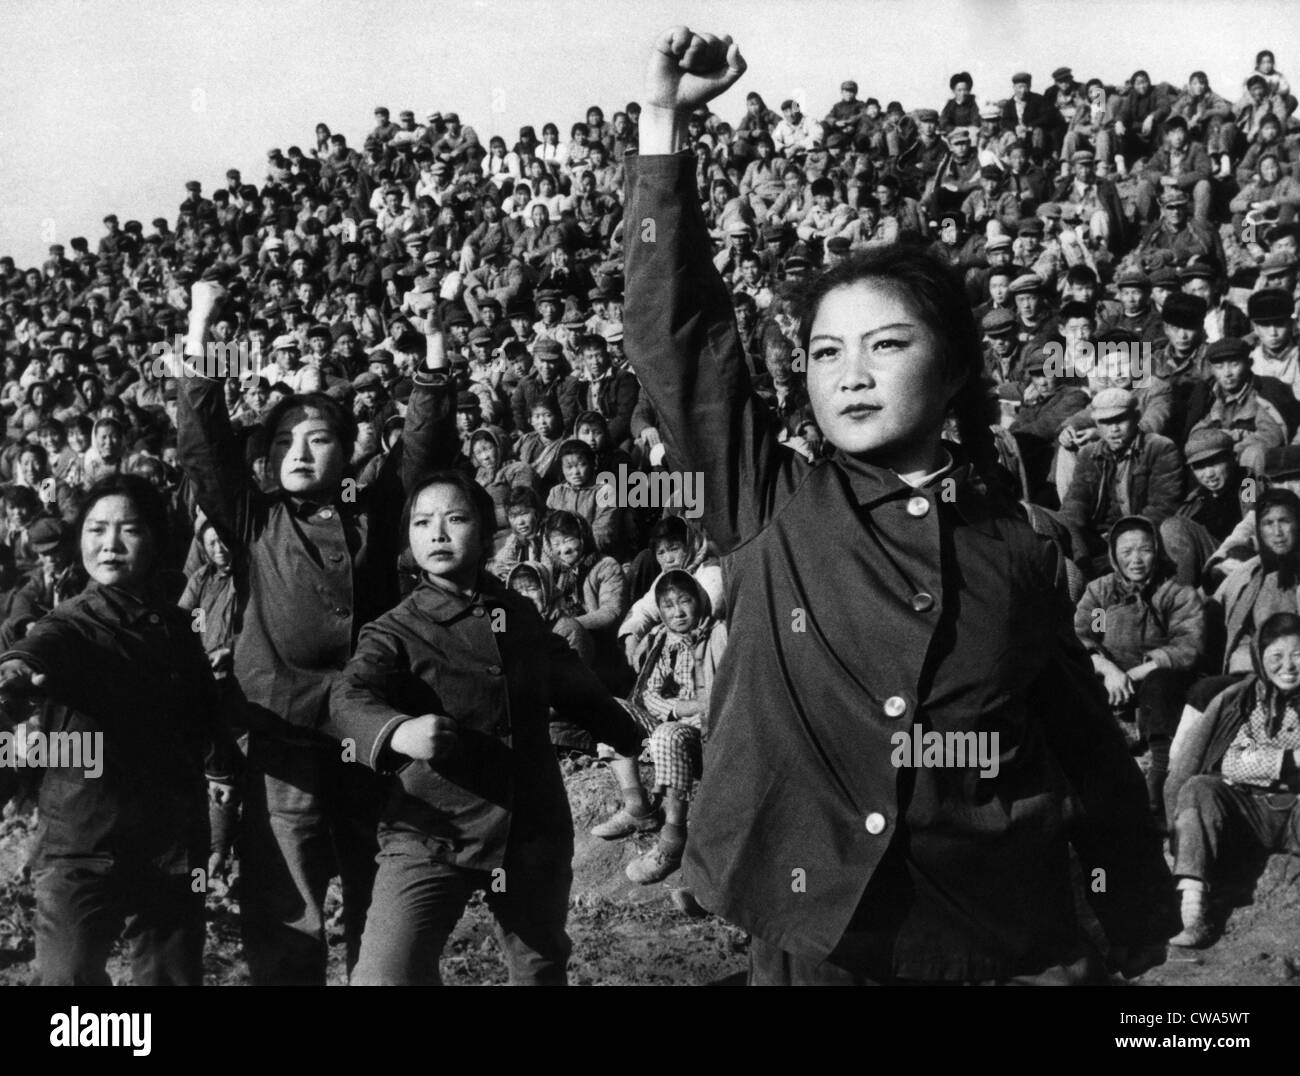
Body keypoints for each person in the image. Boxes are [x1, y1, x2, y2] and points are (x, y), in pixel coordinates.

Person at [625, 26, 1173, 985]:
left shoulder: (1022, 544)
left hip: (994, 930)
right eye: (828, 352)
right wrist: (667, 123)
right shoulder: (772, 502)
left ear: (955, 366)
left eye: (887, 346)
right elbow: (677, 342)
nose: (852, 375)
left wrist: (1130, 889)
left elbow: (1081, 740)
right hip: (821, 934)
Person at [178, 278, 455, 986]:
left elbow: (423, 454)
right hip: (285, 740)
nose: (300, 453)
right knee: (285, 903)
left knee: (383, 895)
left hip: (375, 741)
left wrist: (433, 344)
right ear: (267, 457)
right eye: (284, 441)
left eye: (320, 438)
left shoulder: (371, 512)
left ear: (348, 452)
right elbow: (204, 444)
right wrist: (202, 328)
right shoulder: (255, 519)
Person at [330, 470, 645, 984]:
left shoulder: (517, 613)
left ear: (487, 534)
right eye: (423, 522)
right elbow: (346, 699)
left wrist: (629, 732)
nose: (437, 533)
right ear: (408, 538)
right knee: (384, 976)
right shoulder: (396, 628)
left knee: (539, 967)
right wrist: (396, 732)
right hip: (432, 831)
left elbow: (568, 679)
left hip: (530, 829)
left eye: (455, 519)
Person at [0, 475, 237, 984]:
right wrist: (16, 671)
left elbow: (205, 725)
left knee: (171, 976)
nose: (109, 544)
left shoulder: (177, 628)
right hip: (81, 841)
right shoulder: (70, 622)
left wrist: (219, 812)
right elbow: (39, 648)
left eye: (128, 529)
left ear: (155, 539)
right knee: (66, 981)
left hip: (171, 843)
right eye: (95, 529)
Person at [1164, 611, 1300, 947]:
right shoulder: (1246, 700)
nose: (1289, 667)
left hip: (1296, 811)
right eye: (1276, 657)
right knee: (1199, 788)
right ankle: (1193, 914)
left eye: (1298, 656)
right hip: (1245, 812)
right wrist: (1288, 759)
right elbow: (1231, 763)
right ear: (1260, 658)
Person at [594, 570, 728, 883]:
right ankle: (638, 808)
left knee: (668, 735)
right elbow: (649, 694)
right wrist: (677, 707)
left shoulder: (718, 634)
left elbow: (728, 691)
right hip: (673, 723)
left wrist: (697, 710)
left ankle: (672, 841)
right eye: (668, 606)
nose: (678, 612)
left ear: (701, 602)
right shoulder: (662, 639)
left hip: (709, 735)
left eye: (685, 602)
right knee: (609, 708)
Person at [1074, 515, 1205, 819]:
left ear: (1156, 551)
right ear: (1114, 556)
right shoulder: (1102, 593)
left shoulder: (1174, 594)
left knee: (1162, 683)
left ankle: (1158, 777)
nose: (1136, 560)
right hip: (1111, 681)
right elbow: (1083, 635)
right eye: (1126, 552)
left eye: (1144, 550)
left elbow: (1188, 647)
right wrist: (1106, 669)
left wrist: (1135, 673)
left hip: (1155, 682)